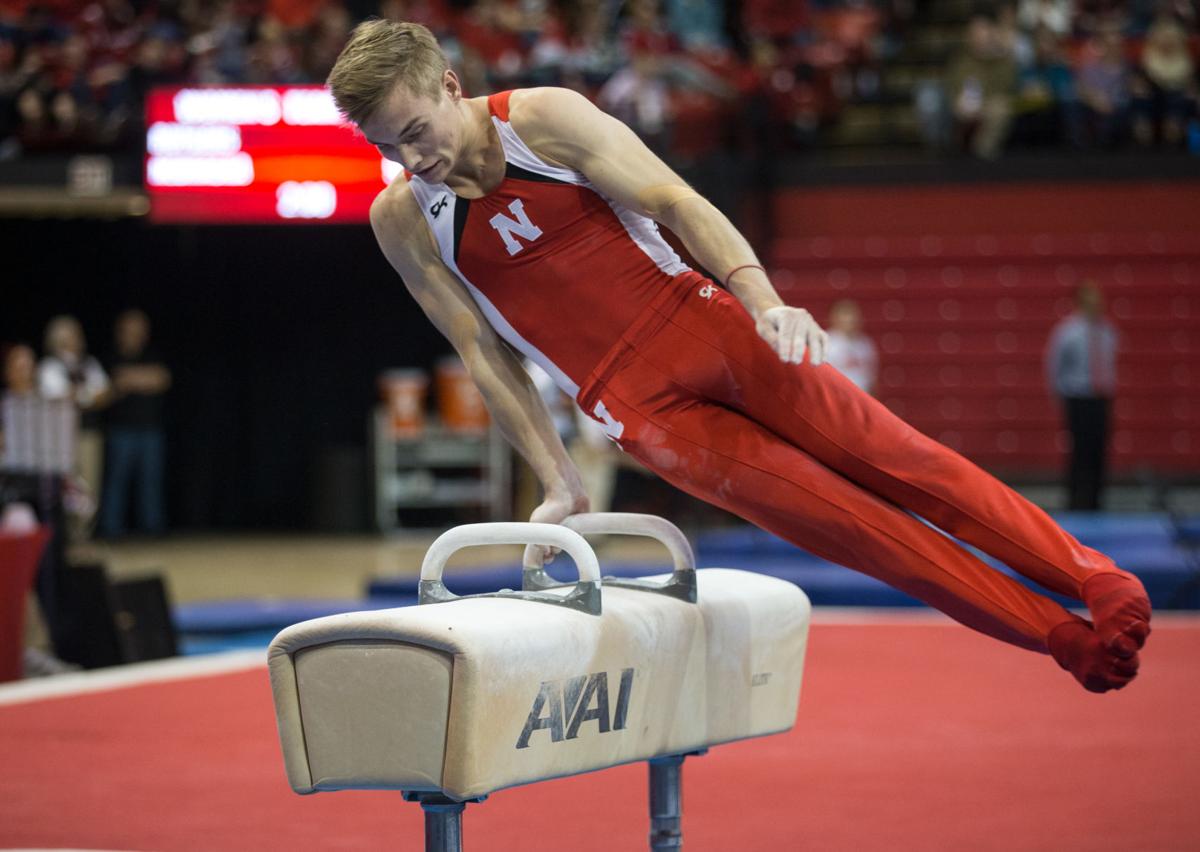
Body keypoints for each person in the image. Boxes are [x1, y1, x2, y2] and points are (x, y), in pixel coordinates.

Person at [327, 20, 1150, 692]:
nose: (412, 160)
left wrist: (763, 300)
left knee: (903, 462)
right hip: (641, 410)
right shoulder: (403, 221)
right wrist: (559, 480)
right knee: (859, 530)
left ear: (450, 85)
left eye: (416, 133)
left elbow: (673, 199)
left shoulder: (541, 118)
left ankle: (1097, 580)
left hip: (708, 325)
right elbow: (482, 351)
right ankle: (1060, 638)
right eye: (388, 148)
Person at [98, 309, 171, 538]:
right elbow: (110, 386)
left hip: (151, 429)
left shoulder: (152, 354)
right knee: (117, 480)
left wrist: (129, 378)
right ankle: (111, 528)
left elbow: (162, 379)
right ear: (120, 331)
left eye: (140, 330)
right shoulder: (111, 356)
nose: (135, 334)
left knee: (151, 482)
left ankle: (152, 527)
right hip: (121, 429)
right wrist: (143, 378)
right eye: (130, 329)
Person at [1046, 282, 1118, 512]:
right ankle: (1076, 500)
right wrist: (1061, 394)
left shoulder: (1107, 330)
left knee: (1099, 449)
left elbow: (1108, 363)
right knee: (1080, 450)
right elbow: (1055, 365)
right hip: (1078, 398)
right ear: (1080, 301)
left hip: (1101, 397)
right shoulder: (1068, 332)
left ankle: (1096, 500)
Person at [38, 316, 110, 504]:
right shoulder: (49, 366)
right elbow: (58, 396)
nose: (76, 340)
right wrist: (88, 395)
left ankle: (84, 524)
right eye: (70, 336)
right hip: (59, 438)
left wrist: (78, 396)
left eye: (77, 335)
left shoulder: (89, 363)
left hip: (88, 432)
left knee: (89, 487)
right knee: (64, 487)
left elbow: (105, 394)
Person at [824, 299, 878, 395]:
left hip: (861, 396)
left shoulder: (865, 344)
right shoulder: (827, 342)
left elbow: (871, 375)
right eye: (845, 316)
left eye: (852, 317)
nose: (849, 321)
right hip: (836, 395)